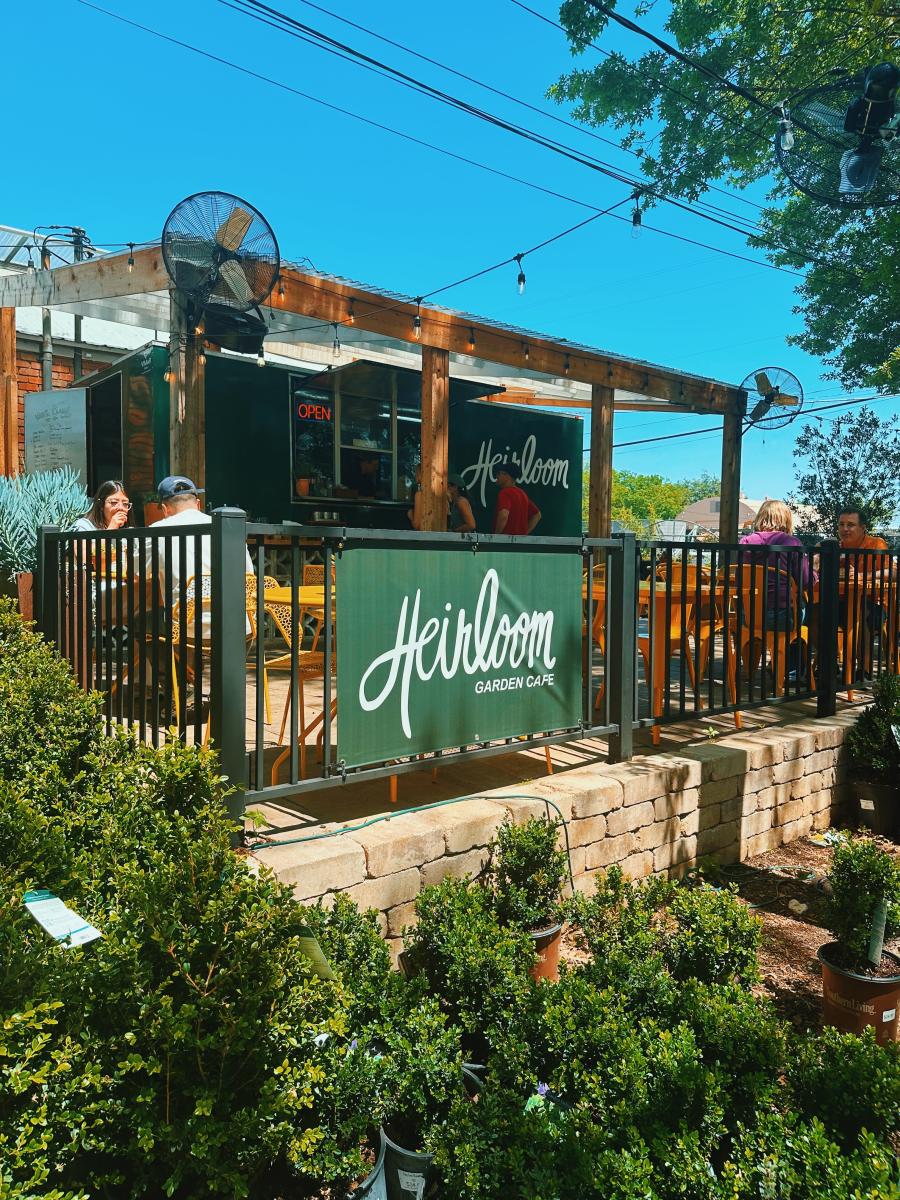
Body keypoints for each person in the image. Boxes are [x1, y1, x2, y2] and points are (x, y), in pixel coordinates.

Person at [145, 476, 253, 638]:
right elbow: (248, 574)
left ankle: (184, 664)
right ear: (198, 504)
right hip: (241, 628)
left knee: (144, 620)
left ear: (165, 508)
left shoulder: (157, 531)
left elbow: (138, 572)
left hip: (189, 630)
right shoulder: (229, 529)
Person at [738, 500, 812, 631]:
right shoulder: (791, 542)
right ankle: (790, 651)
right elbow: (806, 582)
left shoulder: (745, 541)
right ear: (786, 519)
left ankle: (751, 650)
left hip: (748, 615)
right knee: (807, 607)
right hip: (782, 616)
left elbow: (739, 577)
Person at [493, 462, 540, 535]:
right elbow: (537, 515)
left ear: (507, 476)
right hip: (519, 544)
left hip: (504, 543)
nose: (496, 476)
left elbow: (503, 516)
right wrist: (524, 533)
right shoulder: (522, 493)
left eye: (499, 473)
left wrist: (496, 537)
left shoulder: (505, 492)